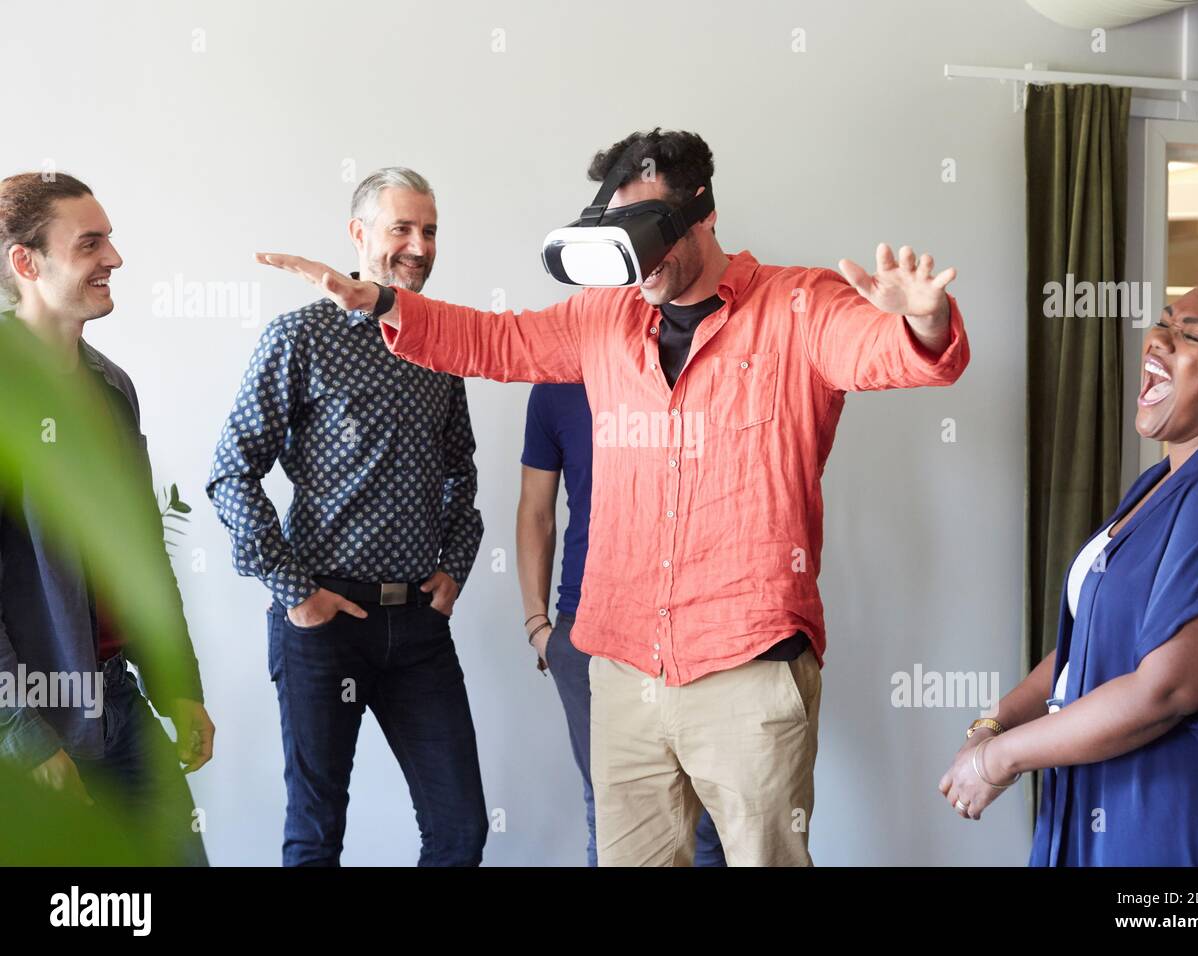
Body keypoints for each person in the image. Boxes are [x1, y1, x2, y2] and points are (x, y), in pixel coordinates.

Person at [258, 128, 971, 866]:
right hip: (624, 670)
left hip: (748, 665)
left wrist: (922, 318)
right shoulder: (604, 319)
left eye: (649, 230)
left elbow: (890, 351)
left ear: (702, 216)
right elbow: (493, 340)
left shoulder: (799, 304)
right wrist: (380, 300)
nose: (637, 262)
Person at [939, 254, 1198, 866]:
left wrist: (1000, 759)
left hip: (1167, 832)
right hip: (1100, 803)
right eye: (1165, 321)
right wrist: (997, 722)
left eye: (1191, 335)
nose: (1160, 338)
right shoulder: (1168, 480)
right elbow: (1097, 638)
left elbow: (1166, 691)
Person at [208, 168, 488, 866]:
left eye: (430, 231)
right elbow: (230, 473)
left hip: (418, 627)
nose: (419, 246)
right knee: (317, 834)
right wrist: (294, 591)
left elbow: (462, 473)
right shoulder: (299, 338)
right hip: (323, 626)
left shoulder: (439, 344)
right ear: (359, 235)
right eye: (402, 228)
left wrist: (454, 567)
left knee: (461, 832)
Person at [0, 171, 212, 865]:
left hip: (116, 702)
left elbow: (140, 550)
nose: (114, 259)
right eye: (91, 243)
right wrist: (22, 736)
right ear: (25, 263)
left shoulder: (111, 386)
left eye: (110, 240)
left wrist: (177, 685)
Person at [518, 381, 726, 866]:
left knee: (706, 822)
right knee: (613, 814)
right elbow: (536, 510)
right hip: (588, 632)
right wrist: (538, 627)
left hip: (698, 625)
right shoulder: (556, 386)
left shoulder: (693, 368)